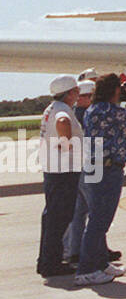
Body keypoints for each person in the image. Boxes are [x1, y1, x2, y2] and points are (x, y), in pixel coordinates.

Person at [76, 73, 126, 286]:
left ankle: (100, 263)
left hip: (95, 166)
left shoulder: (92, 109)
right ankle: (86, 270)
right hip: (107, 169)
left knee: (97, 218)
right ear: (115, 90)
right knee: (100, 220)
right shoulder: (109, 110)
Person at [63, 79, 121, 267]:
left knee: (81, 211)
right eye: (86, 95)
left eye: (90, 95)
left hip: (79, 166)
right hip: (89, 166)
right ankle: (96, 254)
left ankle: (75, 251)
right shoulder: (86, 114)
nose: (89, 98)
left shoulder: (77, 114)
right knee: (98, 211)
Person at [36, 75, 83, 278]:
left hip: (53, 169)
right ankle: (51, 264)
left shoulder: (51, 108)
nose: (78, 94)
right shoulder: (62, 111)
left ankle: (45, 260)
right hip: (64, 171)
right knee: (60, 217)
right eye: (76, 91)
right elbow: (62, 122)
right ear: (70, 93)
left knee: (51, 217)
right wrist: (68, 144)